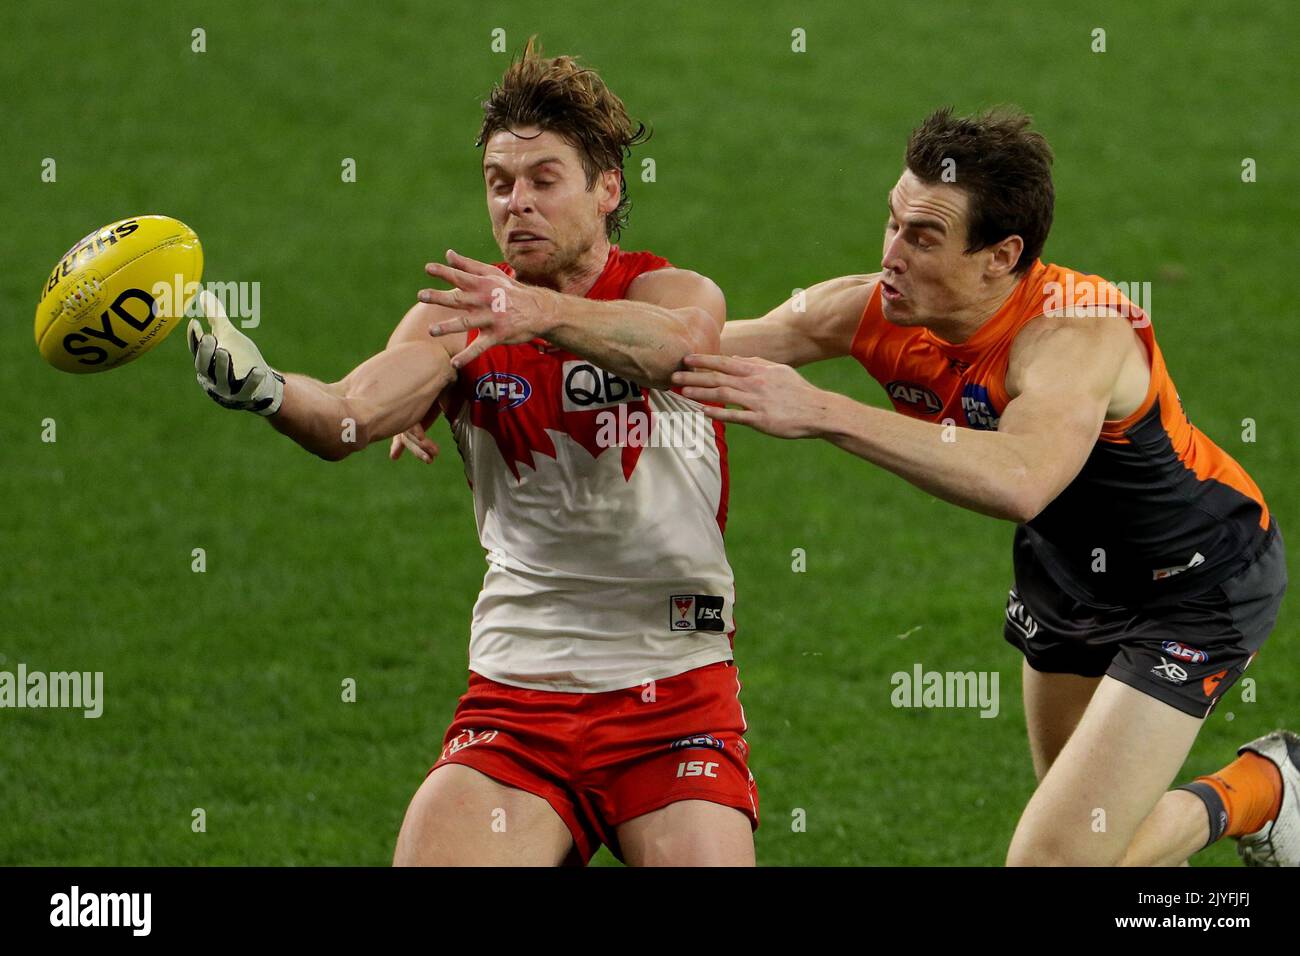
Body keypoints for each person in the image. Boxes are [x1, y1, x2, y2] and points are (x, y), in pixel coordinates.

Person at [186, 39, 757, 866]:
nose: (516, 204)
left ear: (607, 189)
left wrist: (534, 313)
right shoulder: (457, 317)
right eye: (500, 184)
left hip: (674, 693)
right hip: (519, 697)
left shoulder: (665, 291)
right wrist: (270, 390)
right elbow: (351, 414)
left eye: (542, 180)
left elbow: (676, 348)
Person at [674, 106, 1295, 866]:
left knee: (1056, 860)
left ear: (1001, 256)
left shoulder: (1075, 335)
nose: (891, 255)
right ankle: (1272, 795)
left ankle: (1264, 789)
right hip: (1065, 576)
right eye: (893, 223)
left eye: (924, 237)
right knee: (1101, 844)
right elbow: (696, 354)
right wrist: (534, 320)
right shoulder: (873, 306)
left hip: (1194, 583)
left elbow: (1023, 479)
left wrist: (825, 412)